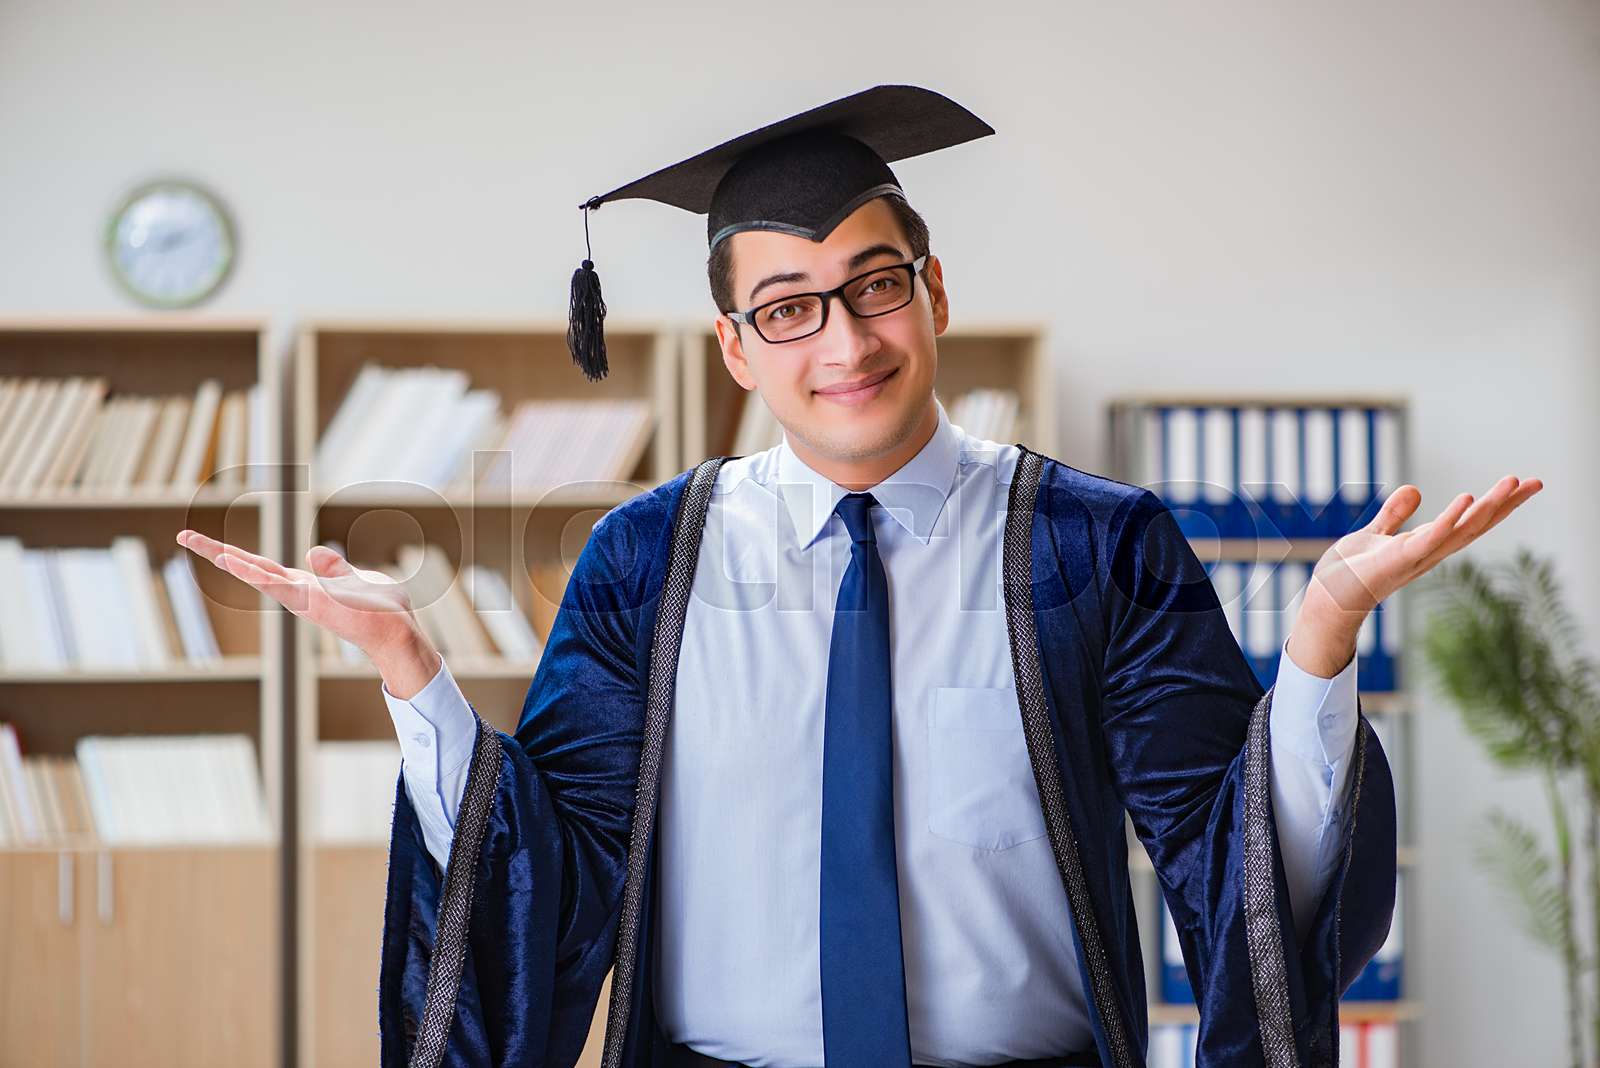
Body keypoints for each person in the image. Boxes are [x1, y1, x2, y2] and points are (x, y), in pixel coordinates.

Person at [178, 85, 1542, 1068]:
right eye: (788, 306)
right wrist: (415, 674)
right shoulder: (645, 558)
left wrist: (1316, 645)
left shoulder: (1094, 544)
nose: (843, 338)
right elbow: (562, 867)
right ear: (735, 348)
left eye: (873, 283)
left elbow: (1233, 864)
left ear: (934, 294)